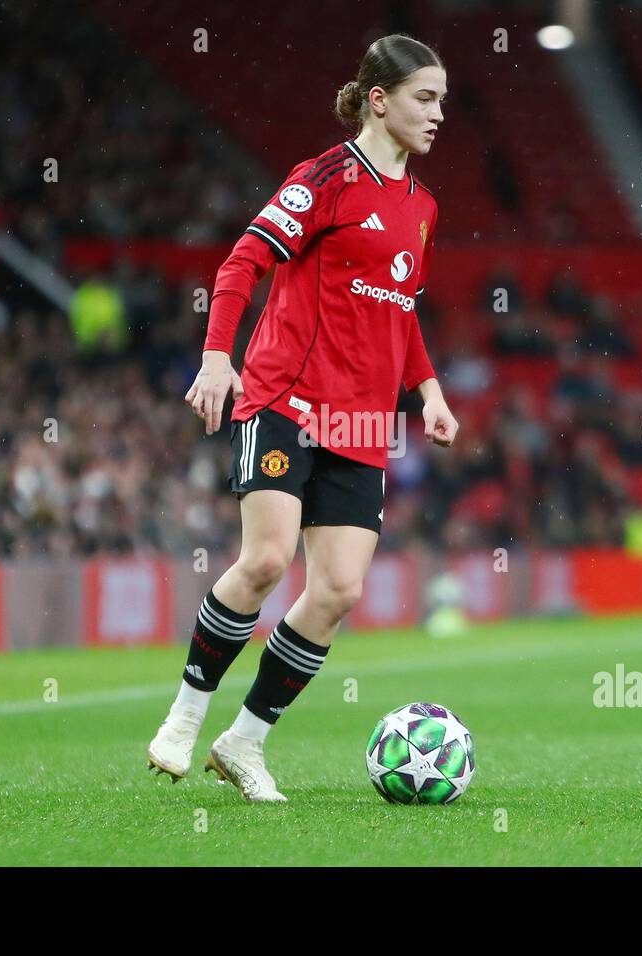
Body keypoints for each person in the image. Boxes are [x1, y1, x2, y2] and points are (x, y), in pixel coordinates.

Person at [147, 34, 459, 802]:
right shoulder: (325, 178)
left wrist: (430, 391)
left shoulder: (422, 208)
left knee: (339, 591)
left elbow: (400, 310)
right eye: (426, 97)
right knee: (265, 560)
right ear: (378, 100)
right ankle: (186, 717)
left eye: (444, 100)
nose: (439, 114)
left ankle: (244, 743)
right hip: (287, 398)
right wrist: (218, 357)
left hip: (361, 422)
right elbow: (241, 262)